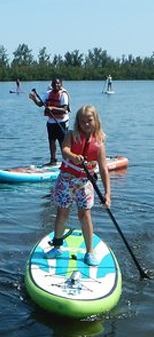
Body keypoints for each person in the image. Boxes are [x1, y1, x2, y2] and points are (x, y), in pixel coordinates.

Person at [44, 105, 111, 266]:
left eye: (89, 121)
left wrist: (107, 194)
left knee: (85, 215)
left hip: (84, 183)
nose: (86, 124)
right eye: (82, 121)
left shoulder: (99, 144)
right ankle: (57, 246)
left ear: (95, 121)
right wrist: (74, 156)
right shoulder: (71, 135)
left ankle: (89, 252)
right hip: (67, 180)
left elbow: (103, 169)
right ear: (78, 122)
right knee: (62, 213)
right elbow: (65, 150)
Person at [29, 78, 70, 165]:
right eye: (54, 84)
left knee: (62, 142)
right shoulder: (48, 94)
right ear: (51, 85)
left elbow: (64, 109)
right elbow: (40, 104)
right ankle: (53, 160)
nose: (56, 85)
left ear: (61, 84)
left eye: (58, 83)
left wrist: (53, 108)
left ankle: (66, 161)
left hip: (62, 121)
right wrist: (34, 99)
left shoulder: (63, 95)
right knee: (51, 140)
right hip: (51, 122)